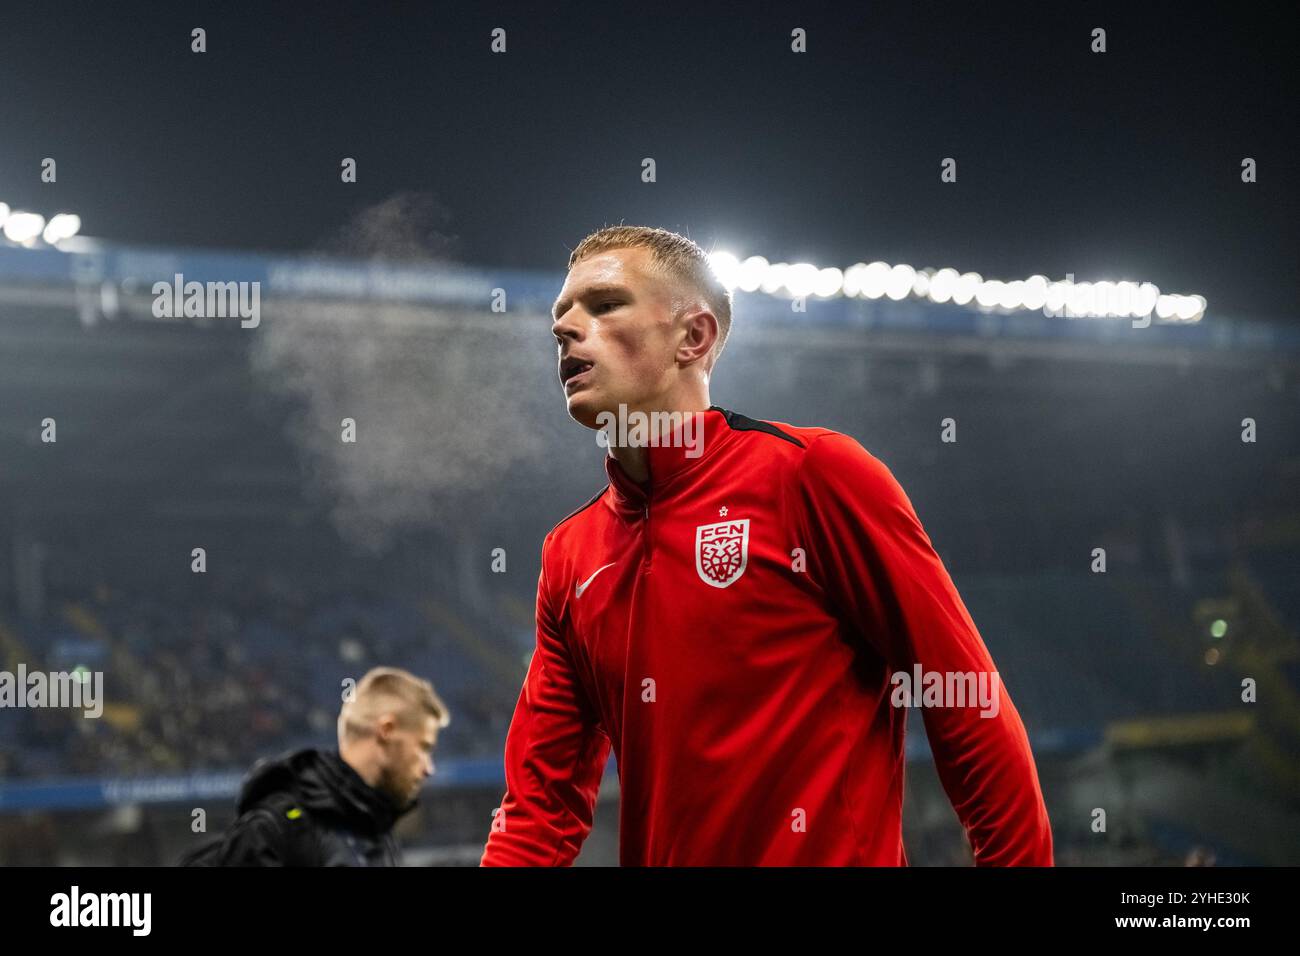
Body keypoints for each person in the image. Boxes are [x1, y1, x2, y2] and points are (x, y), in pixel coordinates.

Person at [481, 225, 1053, 866]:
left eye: (605, 304)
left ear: (693, 337)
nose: (565, 328)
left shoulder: (813, 474)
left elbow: (962, 697)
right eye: (560, 314)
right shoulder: (570, 554)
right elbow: (540, 806)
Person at [192, 666, 448, 866]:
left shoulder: (377, 832)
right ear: (386, 730)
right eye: (423, 747)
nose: (428, 768)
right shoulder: (278, 829)